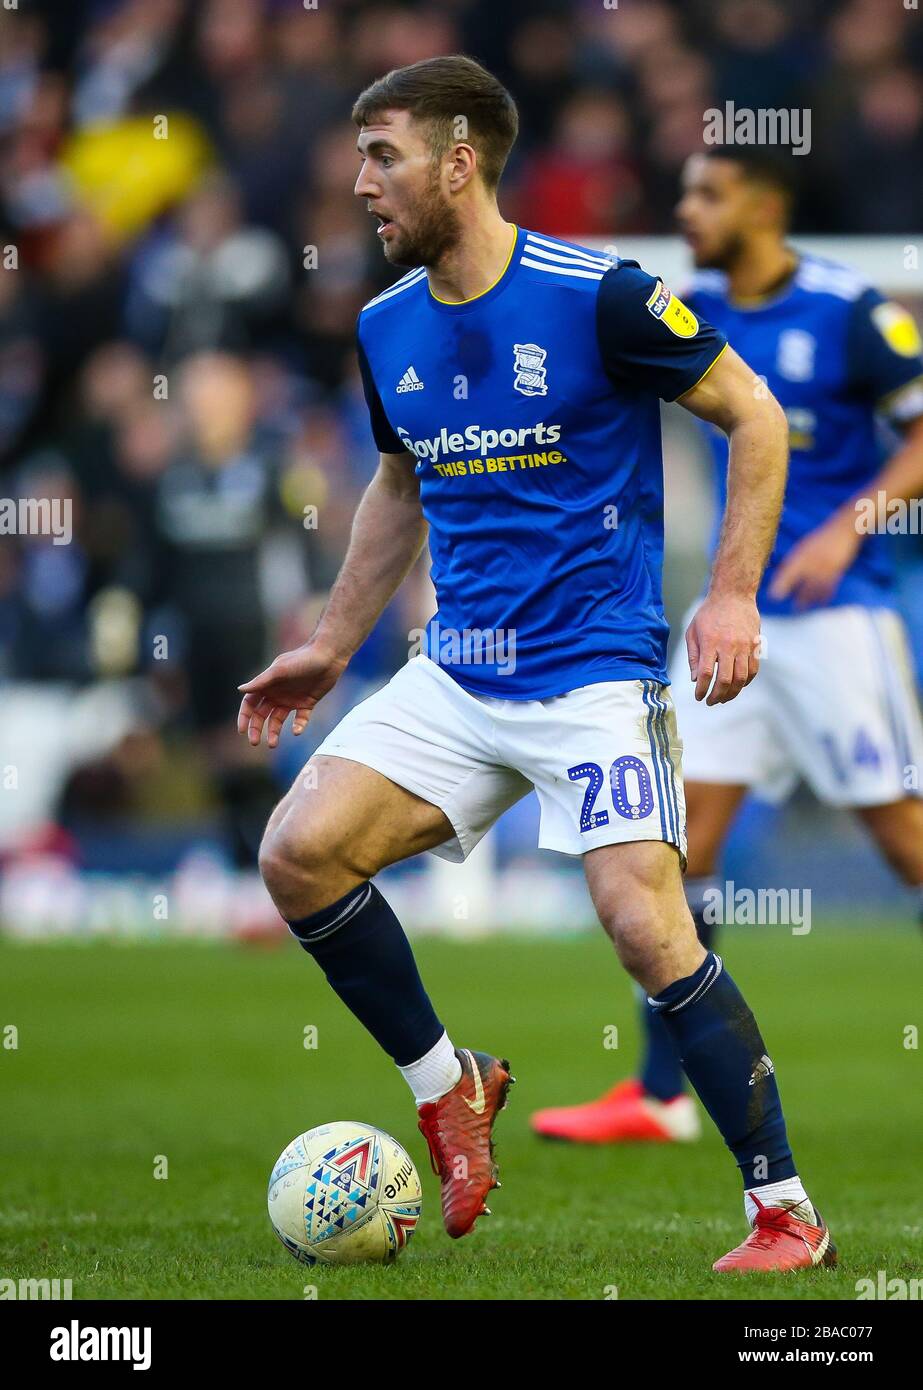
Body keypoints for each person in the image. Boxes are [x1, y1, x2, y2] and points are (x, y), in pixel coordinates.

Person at [239, 59, 828, 1272]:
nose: (359, 184)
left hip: (595, 675)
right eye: (357, 156)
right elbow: (400, 484)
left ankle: (786, 1216)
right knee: (296, 854)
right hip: (456, 676)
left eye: (383, 156)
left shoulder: (602, 296)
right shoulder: (382, 323)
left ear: (460, 160)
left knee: (639, 921)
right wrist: (332, 645)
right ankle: (449, 1084)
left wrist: (726, 594)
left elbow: (754, 415)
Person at [531, 147, 923, 1153]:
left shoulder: (848, 312)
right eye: (682, 193)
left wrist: (847, 525)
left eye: (706, 193)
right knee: (675, 851)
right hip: (728, 622)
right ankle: (661, 1094)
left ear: (763, 202)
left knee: (903, 846)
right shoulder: (686, 313)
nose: (686, 210)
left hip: (837, 621)